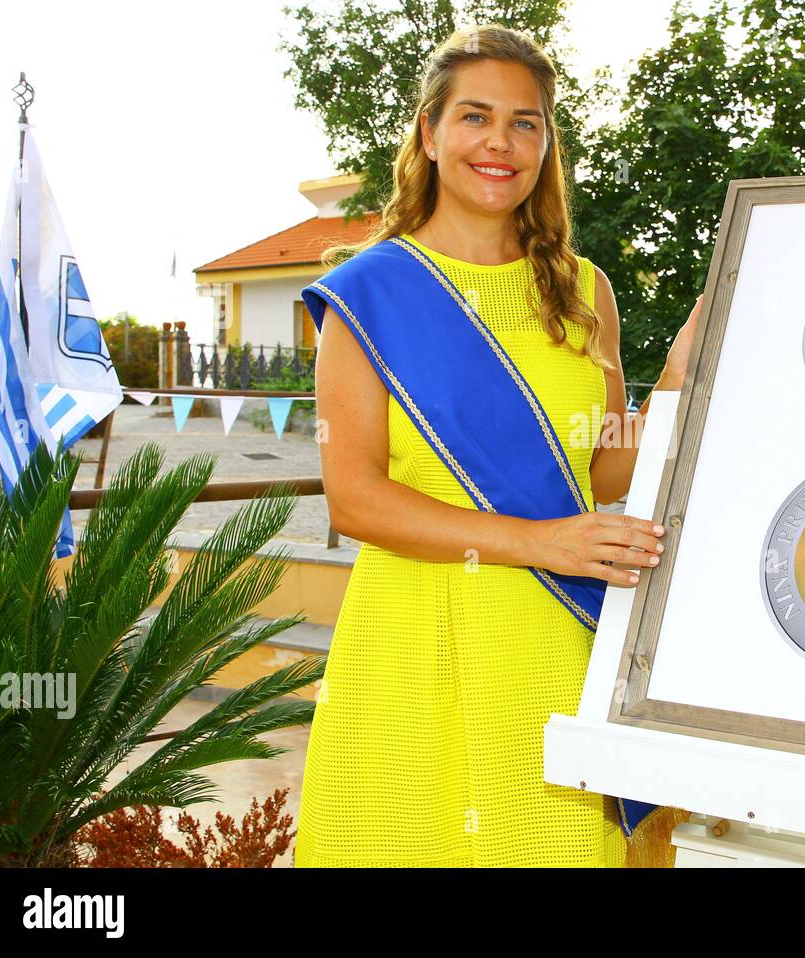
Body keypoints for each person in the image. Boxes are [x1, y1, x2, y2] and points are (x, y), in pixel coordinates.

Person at [291, 23, 701, 868]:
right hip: (418, 633)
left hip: (556, 633)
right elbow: (357, 500)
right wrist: (543, 540)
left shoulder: (586, 290)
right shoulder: (369, 293)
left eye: (527, 122)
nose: (502, 142)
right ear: (431, 134)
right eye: (476, 116)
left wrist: (681, 374)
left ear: (547, 145)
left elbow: (600, 464)